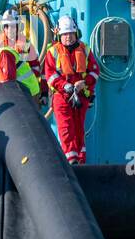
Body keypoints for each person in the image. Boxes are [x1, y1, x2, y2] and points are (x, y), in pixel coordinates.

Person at [42, 14, 100, 164]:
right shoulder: (53, 52)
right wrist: (64, 86)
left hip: (81, 95)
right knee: (66, 127)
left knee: (78, 128)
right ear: (59, 35)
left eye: (70, 33)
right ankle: (71, 159)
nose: (68, 37)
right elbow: (50, 75)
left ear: (76, 33)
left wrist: (84, 83)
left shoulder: (85, 49)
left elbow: (94, 71)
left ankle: (80, 160)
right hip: (62, 96)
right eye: (64, 34)